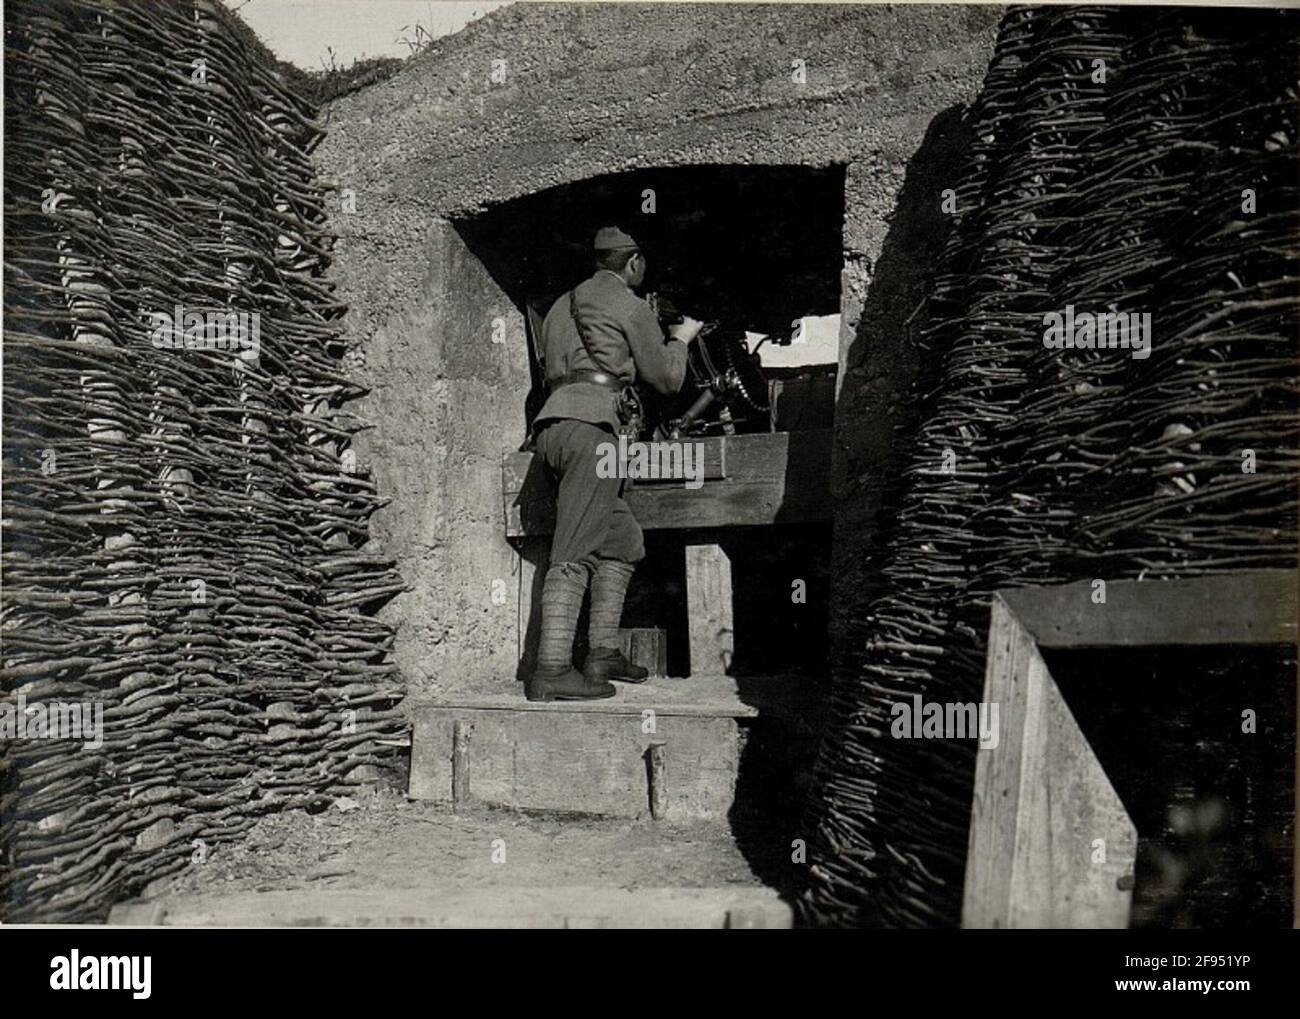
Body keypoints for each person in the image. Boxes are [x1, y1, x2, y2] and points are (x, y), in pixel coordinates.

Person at [527, 226, 703, 701]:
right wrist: (682, 338)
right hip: (594, 434)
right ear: (633, 262)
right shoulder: (627, 302)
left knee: (623, 538)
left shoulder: (561, 305)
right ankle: (552, 669)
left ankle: (602, 653)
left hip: (556, 429)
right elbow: (666, 379)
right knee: (575, 549)